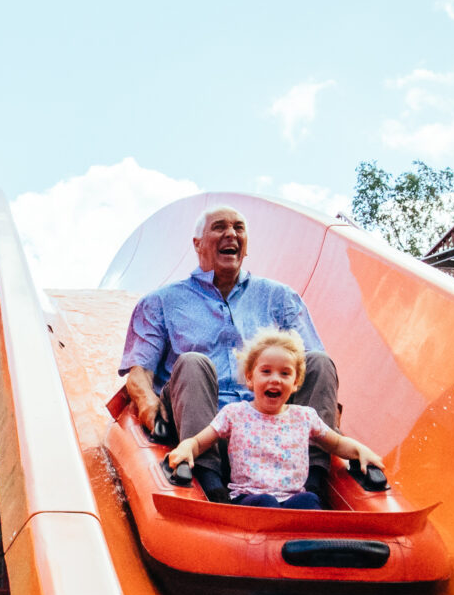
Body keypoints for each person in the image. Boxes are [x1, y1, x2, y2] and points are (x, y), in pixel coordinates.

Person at [120, 203, 341, 499]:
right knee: (193, 362)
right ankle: (209, 482)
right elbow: (138, 374)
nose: (231, 234)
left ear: (245, 246)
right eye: (219, 227)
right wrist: (149, 406)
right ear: (197, 244)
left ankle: (314, 483)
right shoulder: (160, 302)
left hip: (273, 423)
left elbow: (312, 371)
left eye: (238, 228)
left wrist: (332, 418)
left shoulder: (280, 297)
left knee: (319, 361)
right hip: (199, 424)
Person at [167, 330, 382, 508]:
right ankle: (215, 492)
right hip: (249, 496)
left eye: (285, 374)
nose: (275, 379)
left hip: (292, 495)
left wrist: (360, 451)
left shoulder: (304, 416)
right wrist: (187, 447)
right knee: (266, 502)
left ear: (296, 383)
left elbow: (336, 443)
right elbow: (200, 441)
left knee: (309, 500)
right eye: (266, 372)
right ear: (250, 378)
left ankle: (311, 537)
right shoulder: (235, 414)